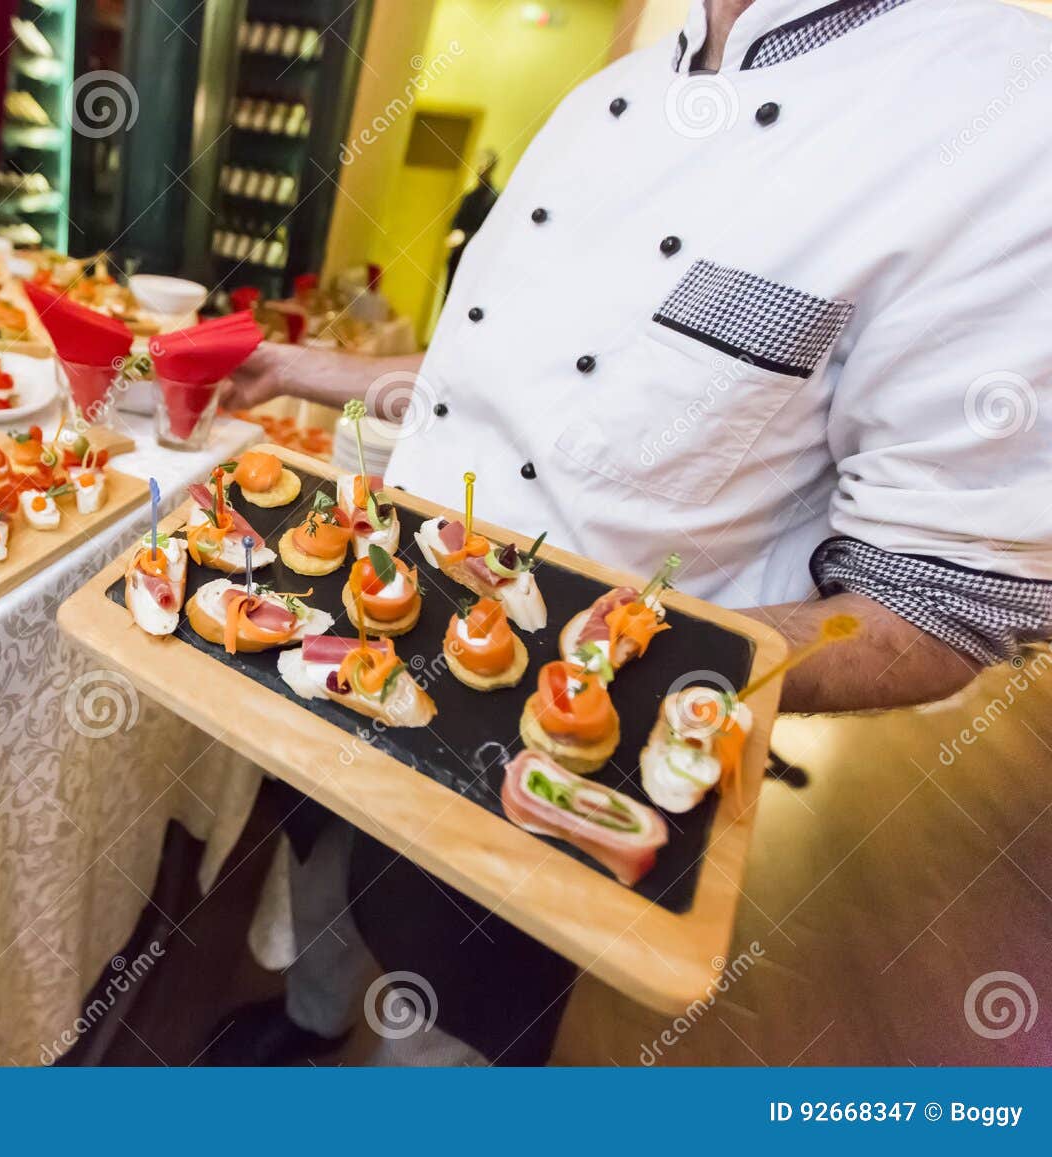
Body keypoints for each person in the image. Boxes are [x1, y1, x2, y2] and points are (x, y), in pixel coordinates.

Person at [206, 0, 1052, 1066]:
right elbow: (543, 391)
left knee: (461, 992)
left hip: (576, 726)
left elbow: (936, 604)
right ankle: (310, 1013)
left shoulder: (1007, 109)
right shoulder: (615, 95)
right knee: (320, 842)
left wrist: (606, 662)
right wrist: (319, 368)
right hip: (379, 602)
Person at [445, 150, 501, 292]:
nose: (481, 168)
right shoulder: (469, 197)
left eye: (486, 165)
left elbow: (493, 233)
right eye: (480, 164)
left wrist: (465, 236)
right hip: (458, 258)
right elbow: (454, 223)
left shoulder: (494, 199)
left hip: (478, 262)